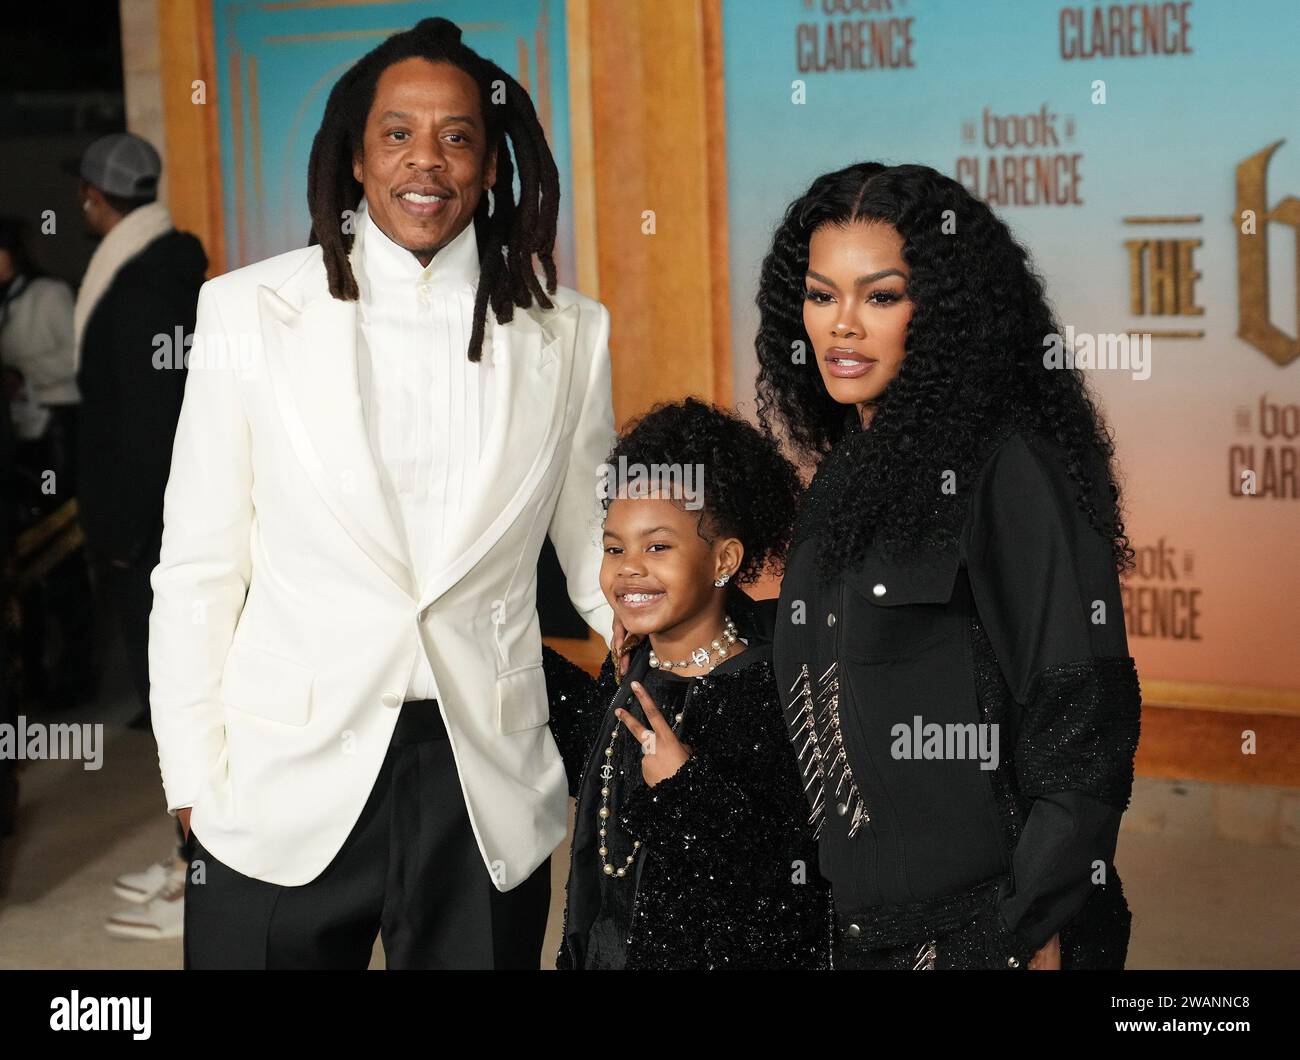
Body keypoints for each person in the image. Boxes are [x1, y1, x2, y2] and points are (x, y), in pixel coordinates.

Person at [151, 17, 616, 969]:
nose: (428, 163)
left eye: (458, 138)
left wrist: (686, 678)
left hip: (481, 768)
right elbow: (199, 563)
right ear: (355, 160)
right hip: (280, 768)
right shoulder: (244, 312)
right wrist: (191, 771)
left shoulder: (570, 332)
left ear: (491, 166)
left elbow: (594, 547)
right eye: (397, 134)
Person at [756, 162, 1141, 970]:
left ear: (945, 313)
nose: (842, 326)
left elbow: (1081, 712)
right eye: (822, 295)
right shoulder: (841, 475)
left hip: (988, 932)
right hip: (859, 934)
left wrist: (1030, 926)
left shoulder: (1011, 469)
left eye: (881, 295)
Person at [543, 398, 834, 969]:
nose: (629, 566)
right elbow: (601, 774)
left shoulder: (764, 687)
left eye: (658, 547)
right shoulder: (637, 671)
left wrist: (683, 786)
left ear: (724, 558)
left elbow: (787, 885)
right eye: (613, 547)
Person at [65, 132, 208, 940]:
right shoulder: (165, 270)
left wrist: (127, 537)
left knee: (182, 708)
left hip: (157, 540)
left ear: (95, 196)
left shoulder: (136, 291)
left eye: (82, 191)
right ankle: (193, 856)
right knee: (180, 709)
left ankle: (206, 876)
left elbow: (148, 433)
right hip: (167, 533)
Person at [0, 216, 95, 712]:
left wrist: (22, 370)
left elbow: (78, 360)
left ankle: (78, 676)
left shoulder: (47, 294)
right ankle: (33, 679)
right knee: (24, 574)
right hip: (16, 444)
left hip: (53, 435)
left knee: (62, 563)